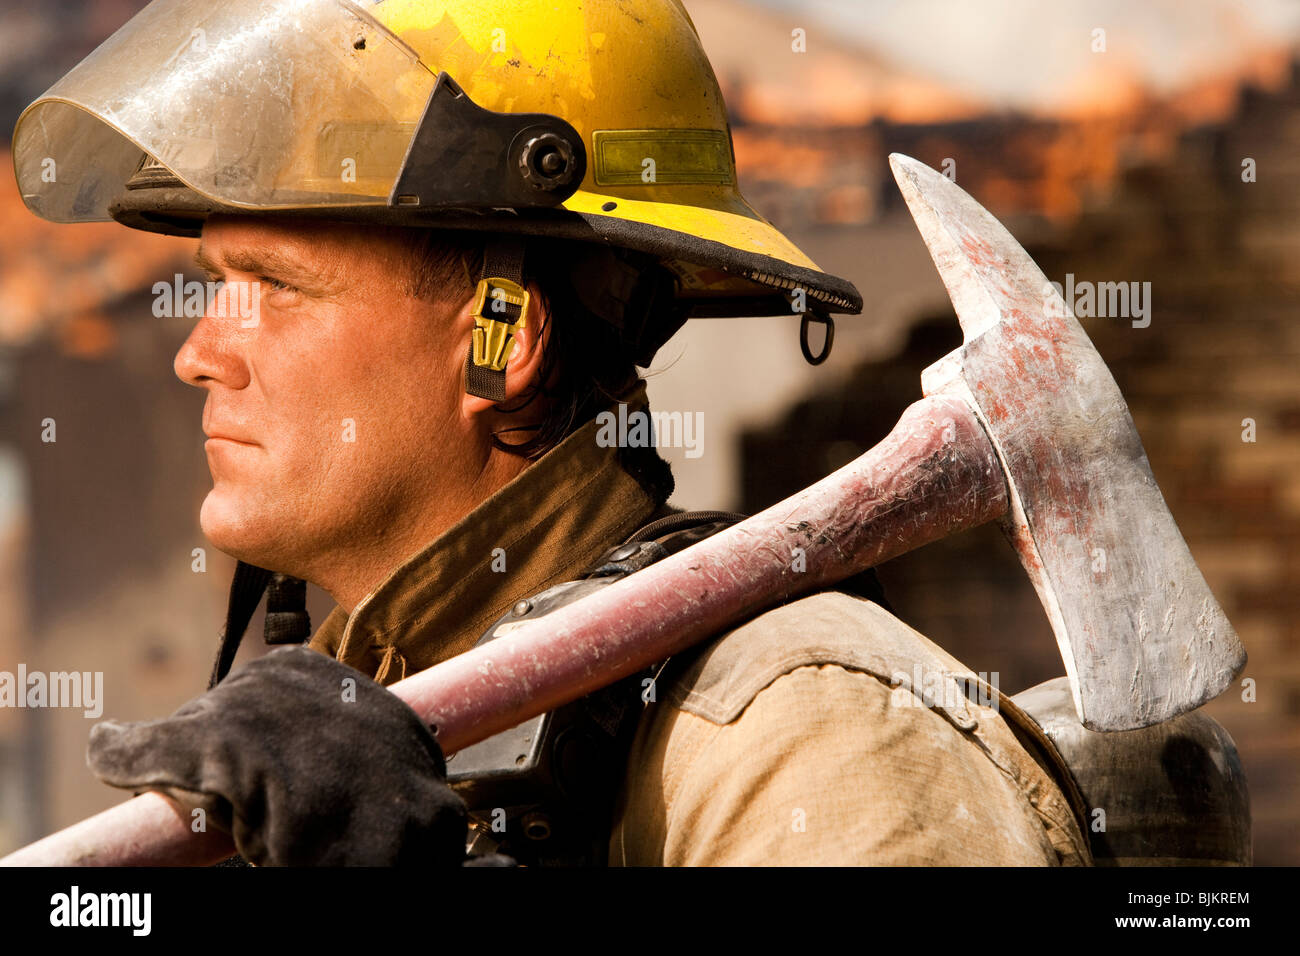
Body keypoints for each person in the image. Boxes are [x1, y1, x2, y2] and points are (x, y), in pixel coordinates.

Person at [13, 0, 1090, 866]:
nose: (197, 353)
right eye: (212, 284)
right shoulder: (327, 750)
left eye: (275, 287)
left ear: (501, 341)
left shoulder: (804, 731)